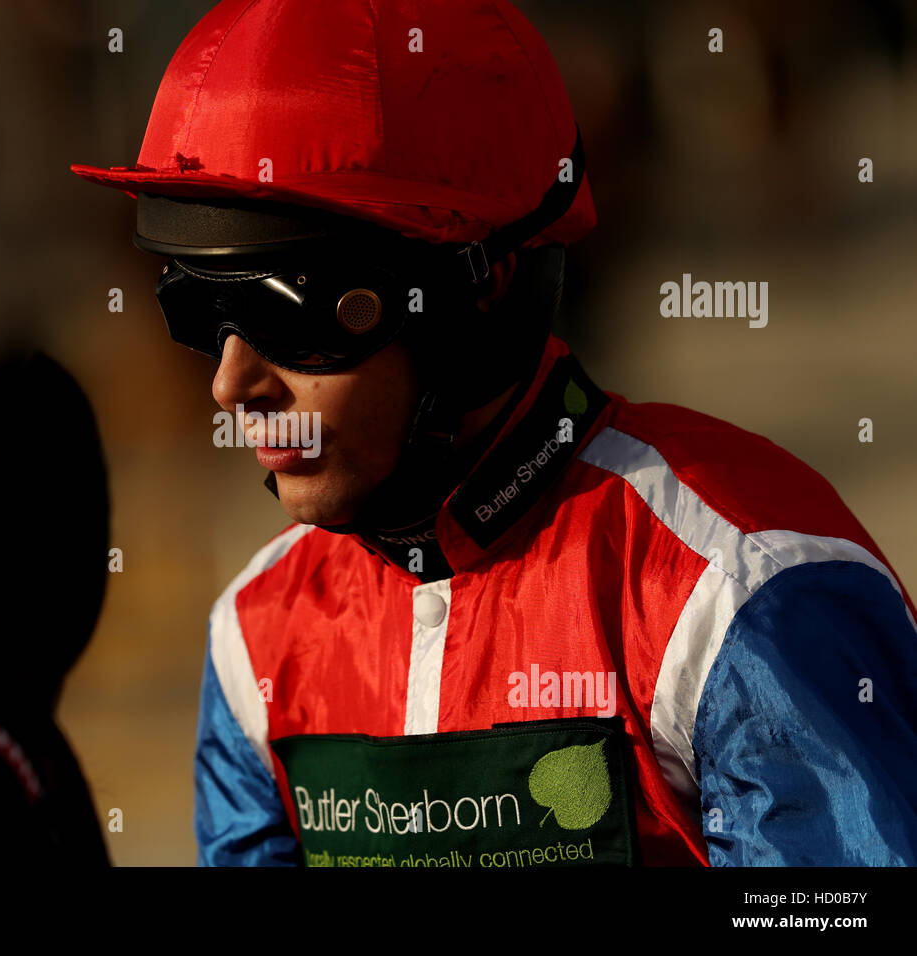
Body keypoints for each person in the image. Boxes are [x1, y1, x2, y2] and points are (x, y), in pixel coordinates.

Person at [71, 0, 917, 866]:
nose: (229, 383)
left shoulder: (739, 591)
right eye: (200, 309)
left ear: (480, 290)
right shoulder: (257, 636)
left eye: (290, 313)